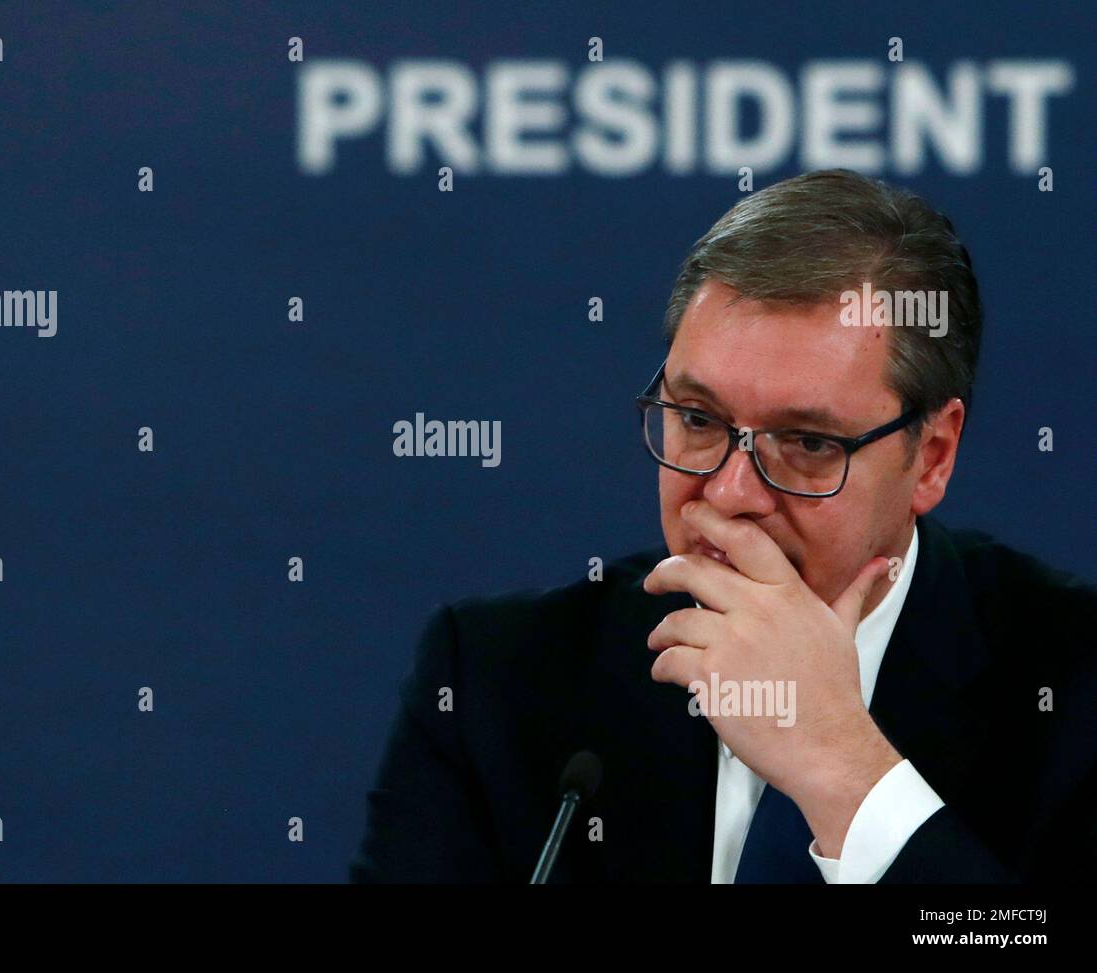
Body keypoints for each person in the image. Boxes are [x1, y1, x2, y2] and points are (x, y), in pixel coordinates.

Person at [350, 169, 1097, 883]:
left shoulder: (1072, 697)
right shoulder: (495, 686)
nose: (732, 491)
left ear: (930, 457)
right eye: (699, 420)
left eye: (807, 443)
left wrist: (844, 771)